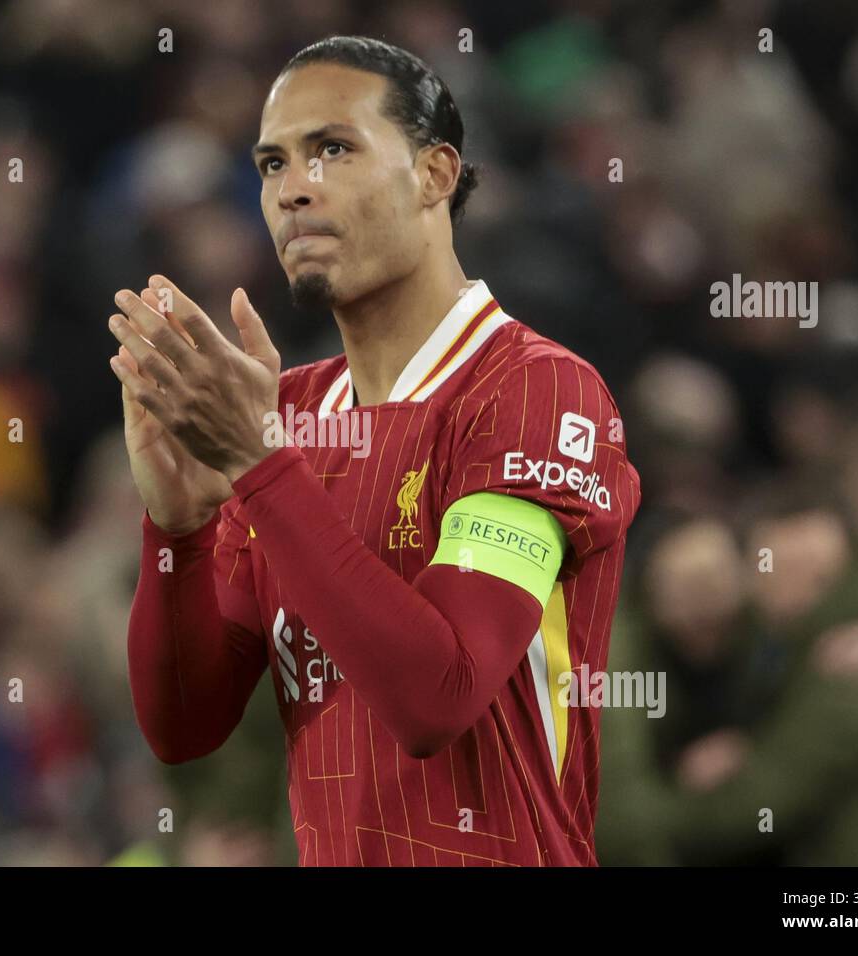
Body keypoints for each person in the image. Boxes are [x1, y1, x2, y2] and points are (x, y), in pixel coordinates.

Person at [109, 36, 641, 866]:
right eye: (272, 163)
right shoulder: (289, 416)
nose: (293, 190)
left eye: (332, 149)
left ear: (435, 175)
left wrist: (258, 465)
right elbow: (184, 726)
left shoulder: (535, 392)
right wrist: (176, 530)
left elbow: (440, 695)